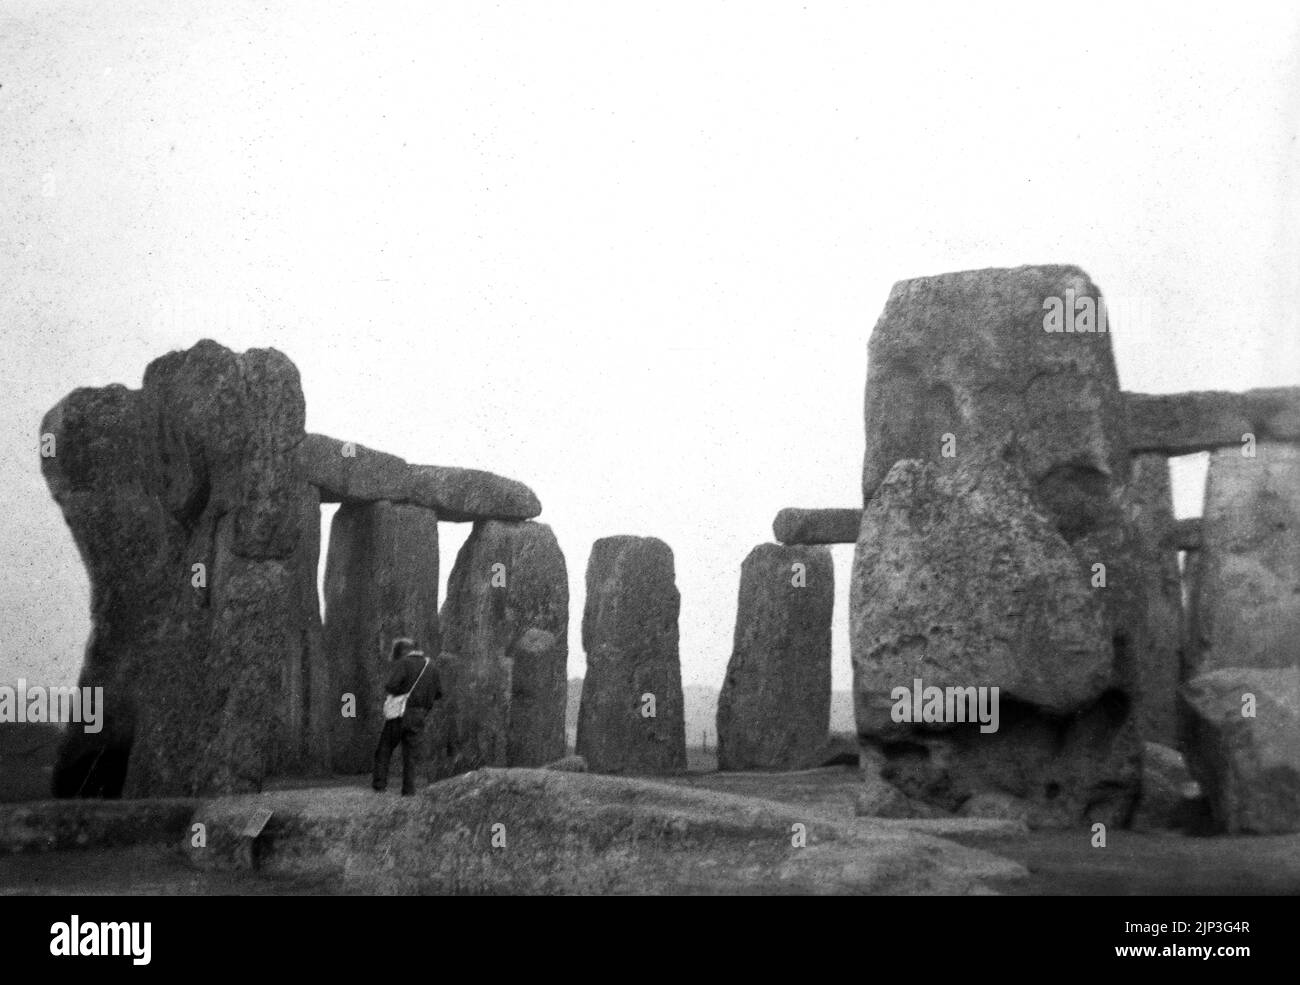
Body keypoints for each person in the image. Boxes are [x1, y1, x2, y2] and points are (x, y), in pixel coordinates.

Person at [372, 637, 442, 795]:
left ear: (402, 652)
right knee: (410, 754)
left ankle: (379, 785)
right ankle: (409, 790)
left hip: (400, 712)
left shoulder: (403, 663)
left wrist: (401, 694)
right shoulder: (431, 666)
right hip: (420, 715)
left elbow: (391, 686)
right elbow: (439, 693)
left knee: (385, 748)